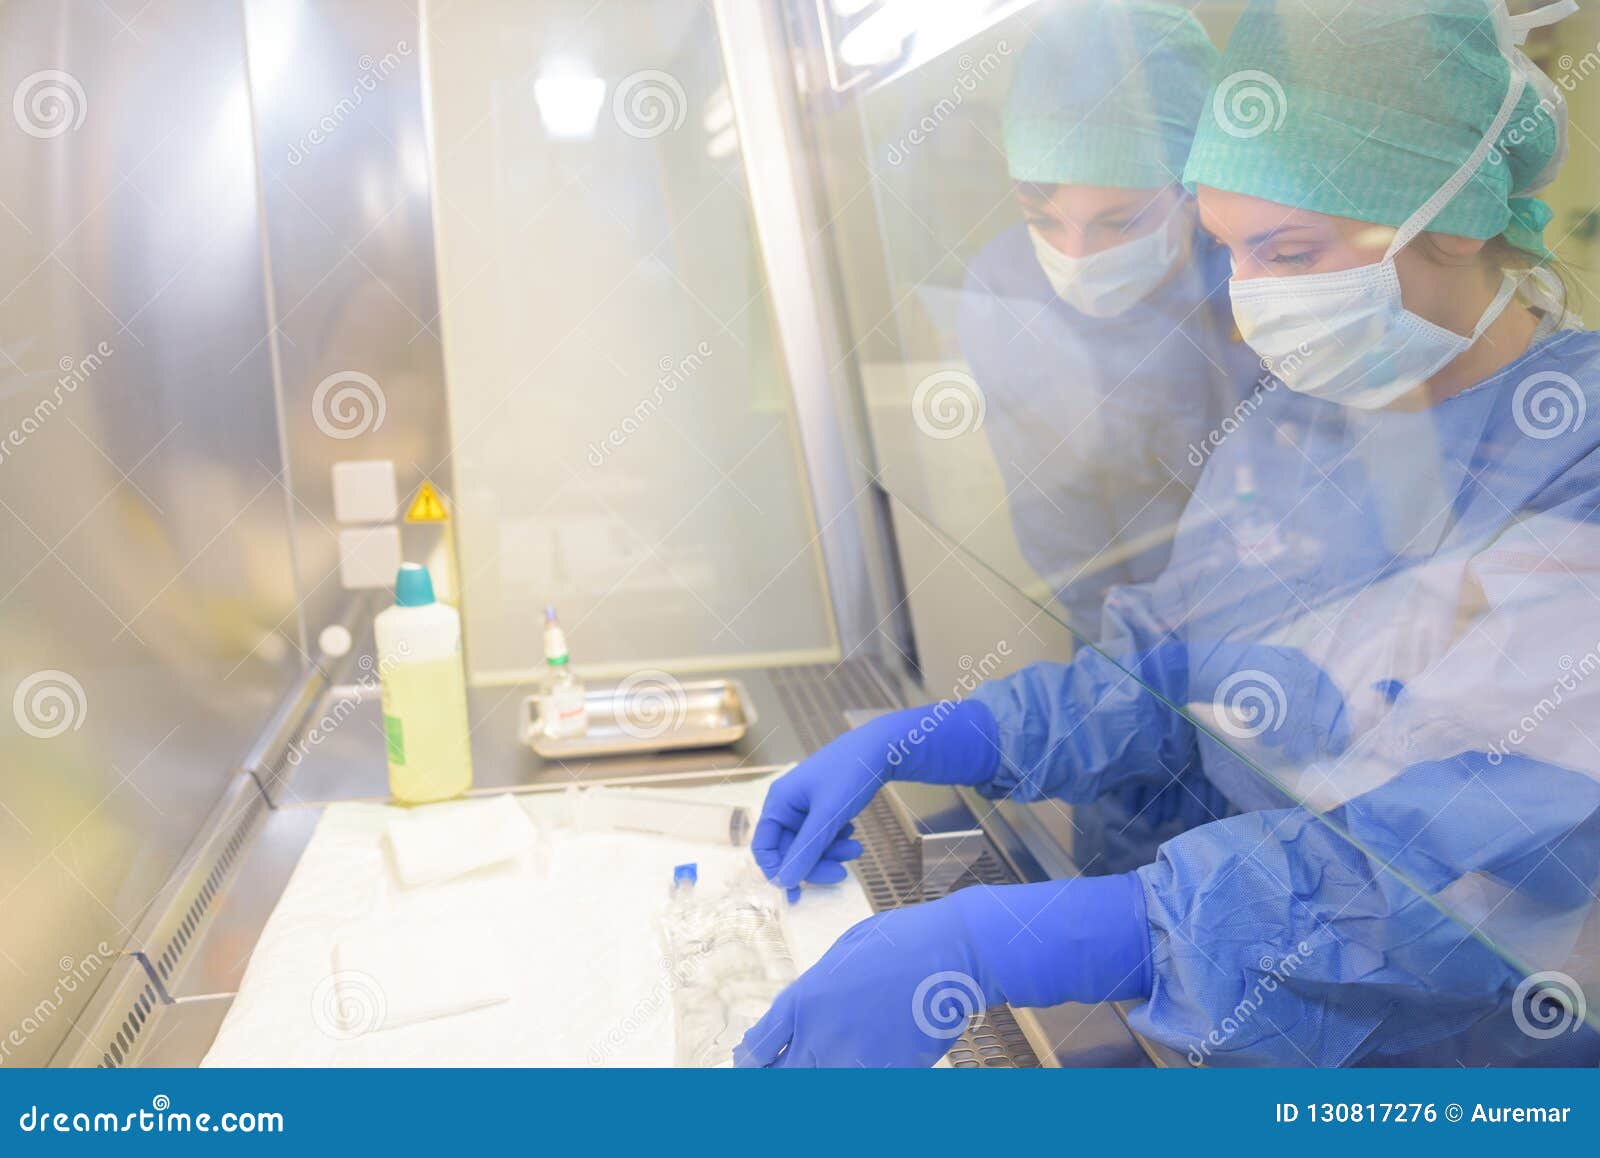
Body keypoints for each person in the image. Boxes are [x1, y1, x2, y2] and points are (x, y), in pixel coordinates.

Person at [740, 0, 1600, 1068]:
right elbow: (1169, 664)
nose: (1251, 309)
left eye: (1292, 251)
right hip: (1250, 1002)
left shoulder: (1577, 456)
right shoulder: (1296, 419)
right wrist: (952, 736)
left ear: (1455, 219)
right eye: (1230, 252)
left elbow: (1473, 859)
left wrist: (1058, 937)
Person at [961, 0, 1259, 874]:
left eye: (1120, 222)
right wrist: (1131, 713)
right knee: (1138, 905)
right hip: (1127, 675)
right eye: (1047, 218)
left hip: (1296, 685)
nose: (1077, 256)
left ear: (1196, 186)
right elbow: (1070, 543)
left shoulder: (1265, 280)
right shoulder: (1008, 289)